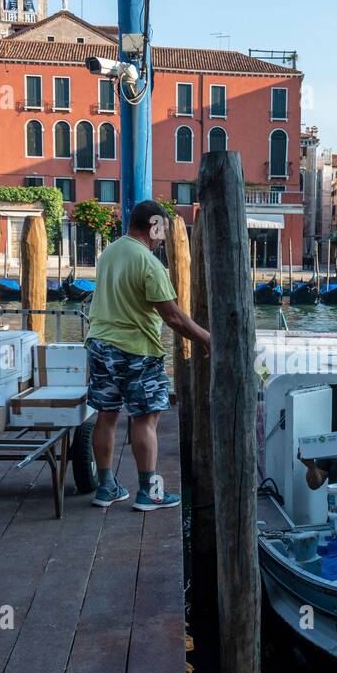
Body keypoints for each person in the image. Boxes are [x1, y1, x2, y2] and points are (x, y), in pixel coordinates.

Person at [85, 199, 210, 511]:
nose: (164, 238)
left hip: (99, 345)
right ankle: (147, 491)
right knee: (145, 420)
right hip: (136, 350)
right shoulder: (149, 263)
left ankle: (106, 487)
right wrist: (207, 338)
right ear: (154, 225)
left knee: (106, 415)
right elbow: (173, 317)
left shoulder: (109, 253)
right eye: (163, 230)